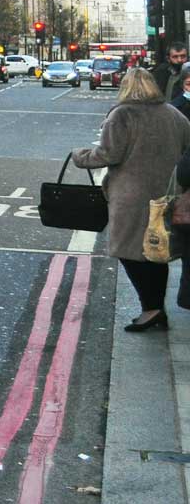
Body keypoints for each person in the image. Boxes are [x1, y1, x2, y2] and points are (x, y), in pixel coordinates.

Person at [71, 68, 190, 332]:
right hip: (166, 195)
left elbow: (108, 155)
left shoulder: (122, 114)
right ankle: (155, 308)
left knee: (130, 253)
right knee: (155, 251)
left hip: (131, 198)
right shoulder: (174, 114)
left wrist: (79, 156)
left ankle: (151, 309)